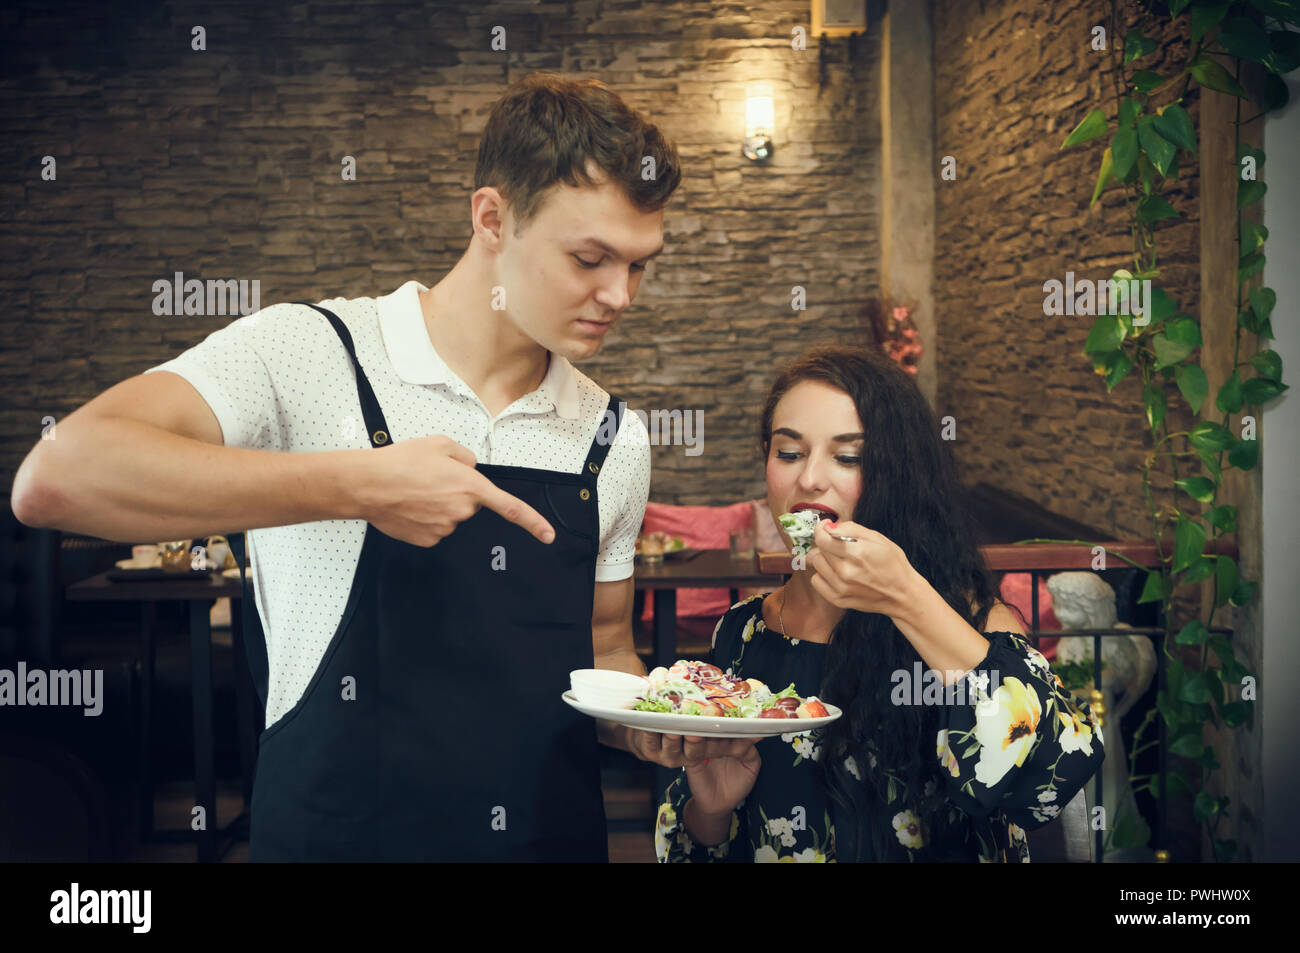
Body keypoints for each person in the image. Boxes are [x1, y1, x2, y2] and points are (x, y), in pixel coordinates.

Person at [12, 72, 754, 861]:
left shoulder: (614, 437)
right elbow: (56, 476)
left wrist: (662, 725)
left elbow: (605, 649)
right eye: (591, 258)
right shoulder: (312, 352)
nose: (621, 295)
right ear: (493, 218)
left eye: (639, 265)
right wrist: (360, 484)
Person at [654, 345, 1106, 862]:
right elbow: (700, 844)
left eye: (849, 457)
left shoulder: (971, 628)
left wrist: (905, 597)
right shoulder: (740, 633)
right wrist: (712, 810)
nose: (809, 480)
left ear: (898, 477)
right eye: (788, 452)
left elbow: (1050, 782)